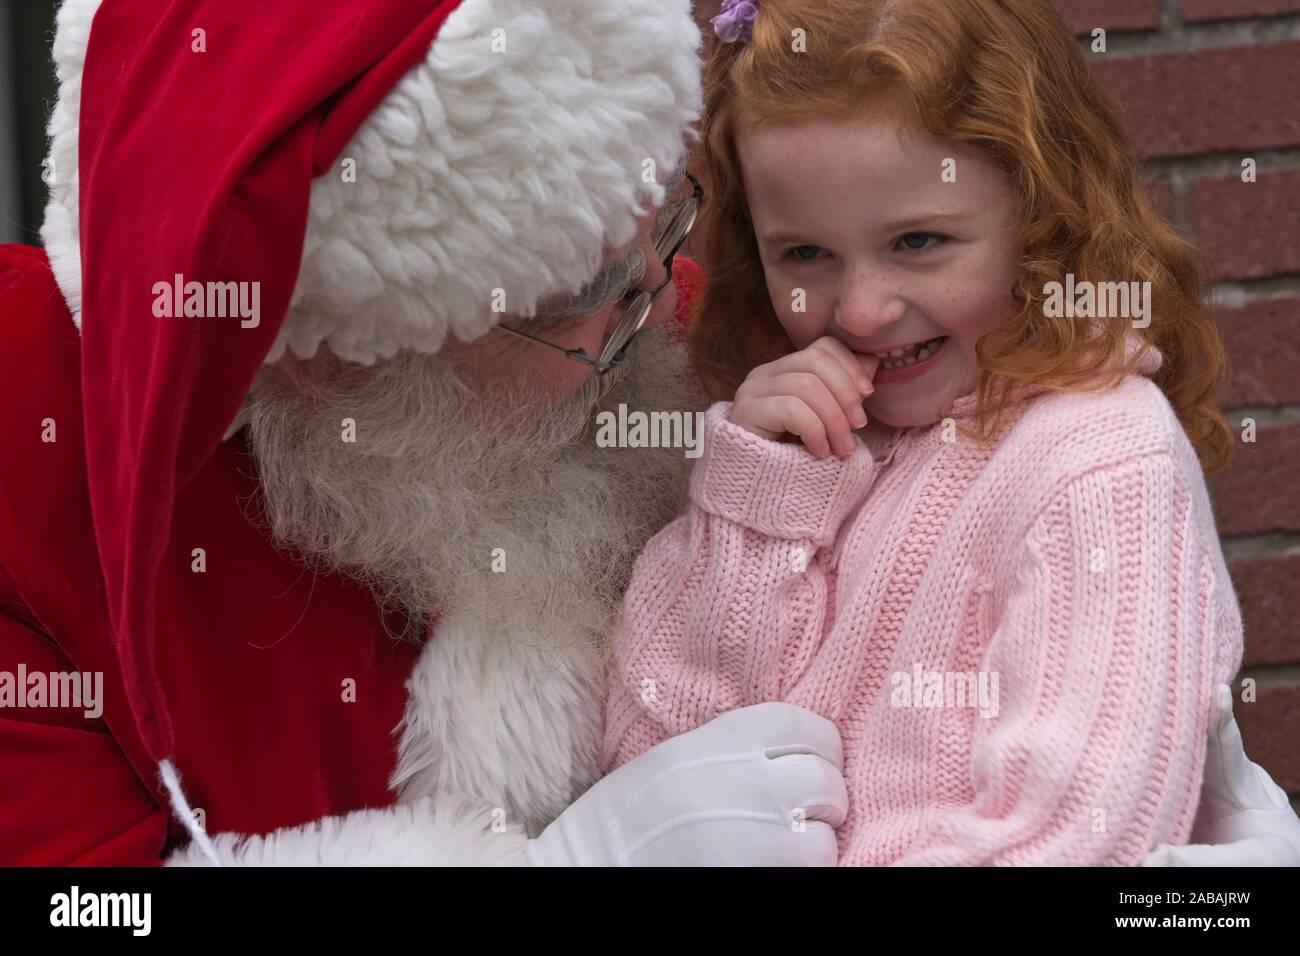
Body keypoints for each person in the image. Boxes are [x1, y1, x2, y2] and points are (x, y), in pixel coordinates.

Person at [0, 0, 848, 866]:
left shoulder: (691, 338)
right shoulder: (23, 448)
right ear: (328, 357)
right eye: (582, 295)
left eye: (668, 209)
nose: (669, 299)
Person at [603, 0, 1300, 865]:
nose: (860, 310)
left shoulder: (1097, 461)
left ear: (1043, 218)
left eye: (919, 240)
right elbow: (644, 767)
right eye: (805, 255)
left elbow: (1075, 841)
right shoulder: (789, 445)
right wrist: (756, 511)